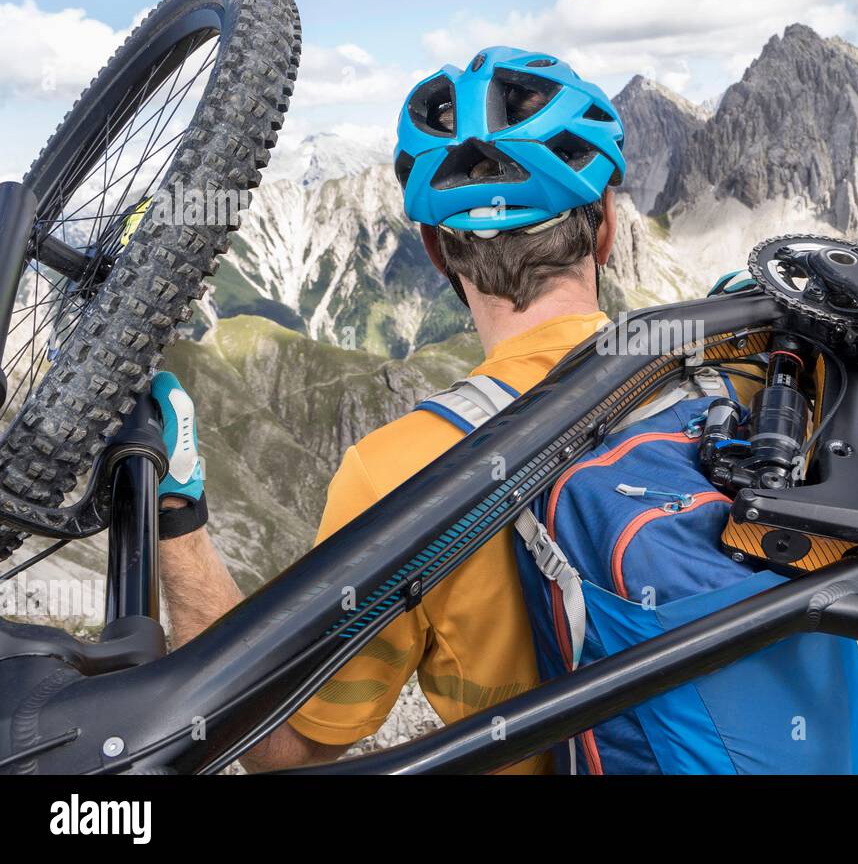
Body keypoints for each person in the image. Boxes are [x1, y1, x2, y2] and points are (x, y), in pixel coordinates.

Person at [154, 46, 626, 772]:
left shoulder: (399, 474)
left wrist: (177, 521)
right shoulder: (745, 379)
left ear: (438, 253)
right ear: (605, 228)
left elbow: (285, 752)